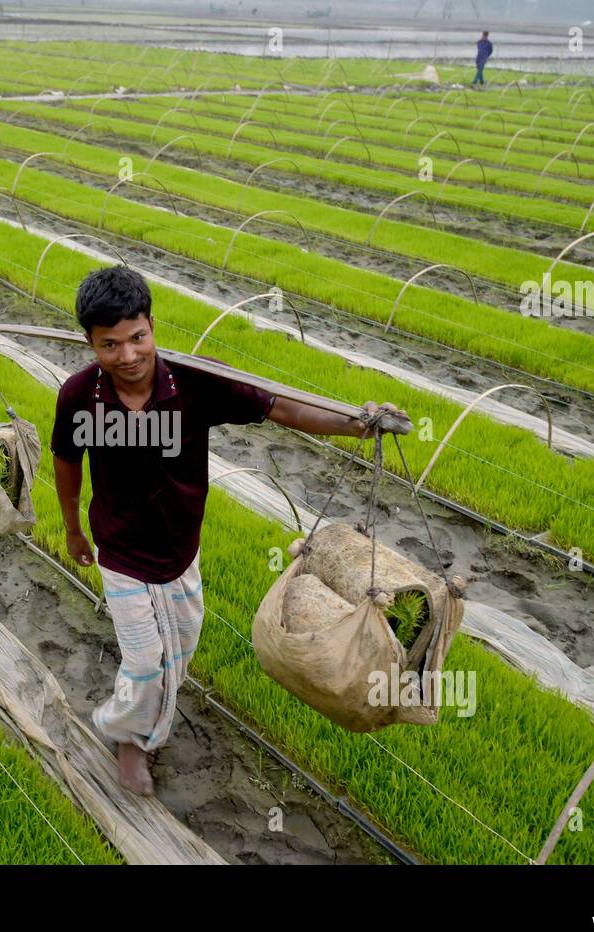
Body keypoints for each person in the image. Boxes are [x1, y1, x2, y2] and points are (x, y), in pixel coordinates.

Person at [50, 266, 406, 795]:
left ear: (152, 326)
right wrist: (73, 528)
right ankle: (130, 739)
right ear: (89, 342)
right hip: (120, 550)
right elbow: (66, 459)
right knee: (147, 661)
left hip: (180, 548)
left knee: (183, 646)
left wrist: (354, 423)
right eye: (109, 345)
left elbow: (277, 405)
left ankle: (140, 718)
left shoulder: (194, 382)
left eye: (137, 338)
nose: (127, 356)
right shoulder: (81, 396)